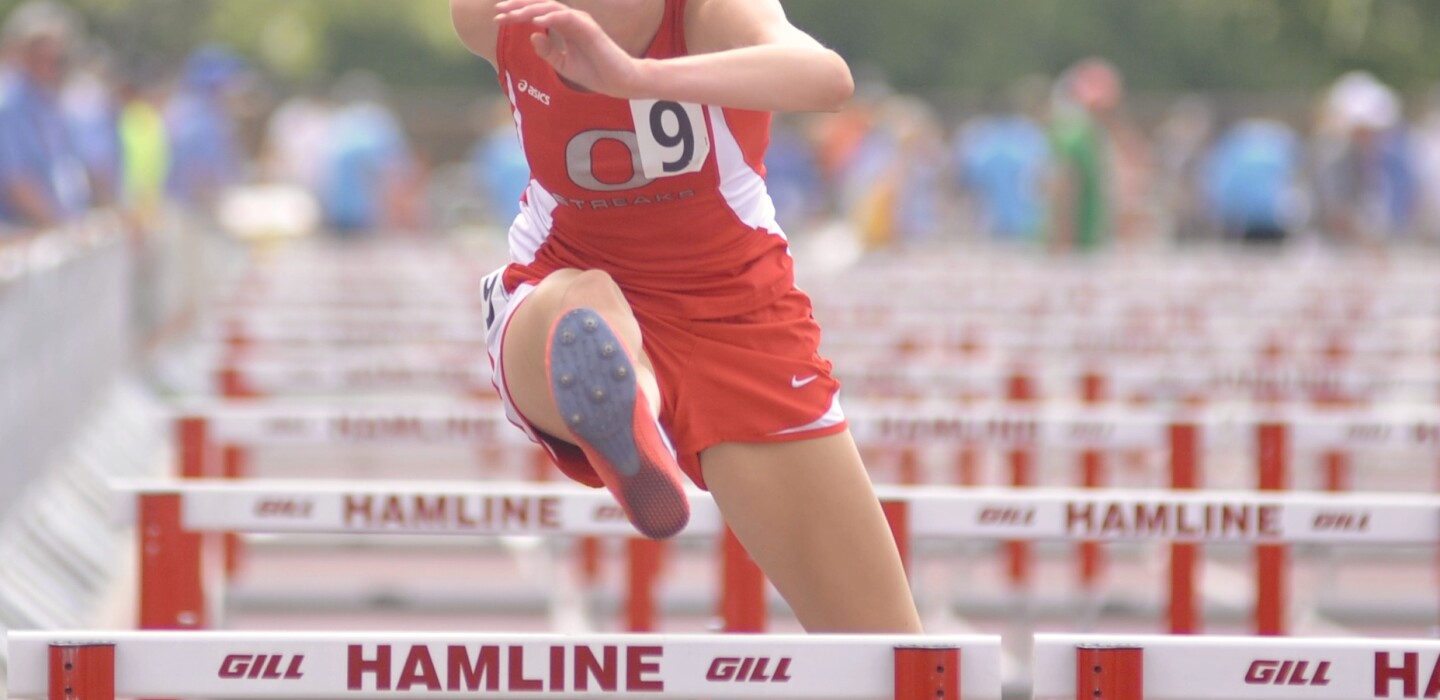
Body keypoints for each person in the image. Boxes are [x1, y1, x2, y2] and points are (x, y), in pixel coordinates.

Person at [449, 0, 922, 633]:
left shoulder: (712, 12)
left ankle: (630, 402)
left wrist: (636, 79)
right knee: (587, 301)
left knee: (887, 650)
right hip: (560, 291)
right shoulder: (492, 15)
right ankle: (630, 401)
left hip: (737, 320)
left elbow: (827, 78)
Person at [0, 0, 90, 230]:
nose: (48, 67)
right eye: (39, 57)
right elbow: (17, 184)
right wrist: (64, 225)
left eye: (56, 60)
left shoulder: (51, 105)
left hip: (52, 228)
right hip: (20, 232)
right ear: (20, 53)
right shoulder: (8, 107)